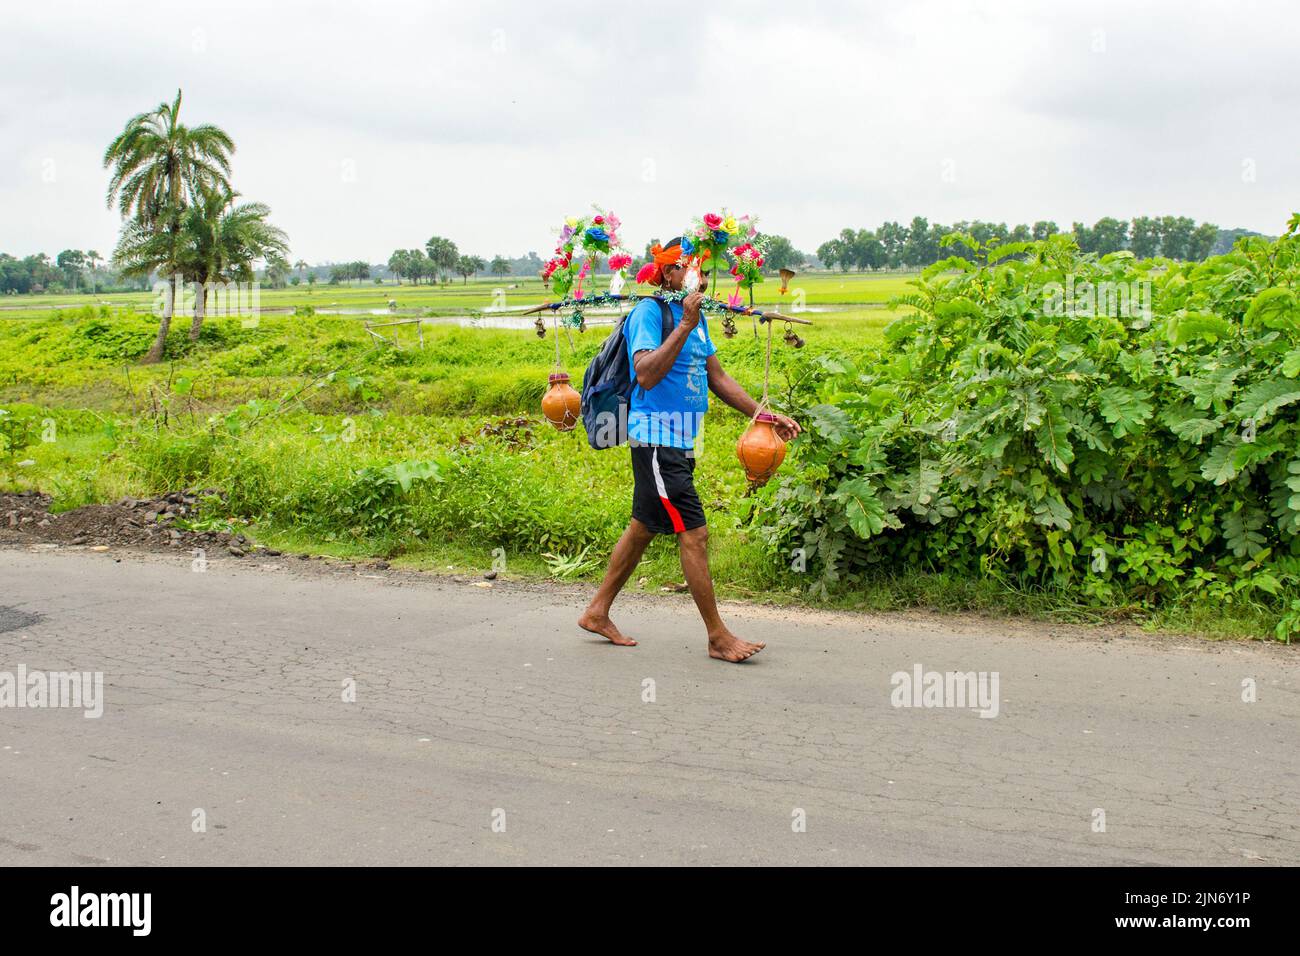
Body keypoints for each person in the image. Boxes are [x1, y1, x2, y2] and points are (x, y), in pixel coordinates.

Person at [578, 237, 801, 662]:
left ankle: (596, 611)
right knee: (694, 533)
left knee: (644, 525)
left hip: (681, 439)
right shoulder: (650, 313)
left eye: (697, 266)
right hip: (657, 438)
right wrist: (682, 323)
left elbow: (717, 377)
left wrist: (765, 415)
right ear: (666, 273)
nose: (694, 273)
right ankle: (718, 637)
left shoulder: (696, 319)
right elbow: (644, 373)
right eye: (684, 267)